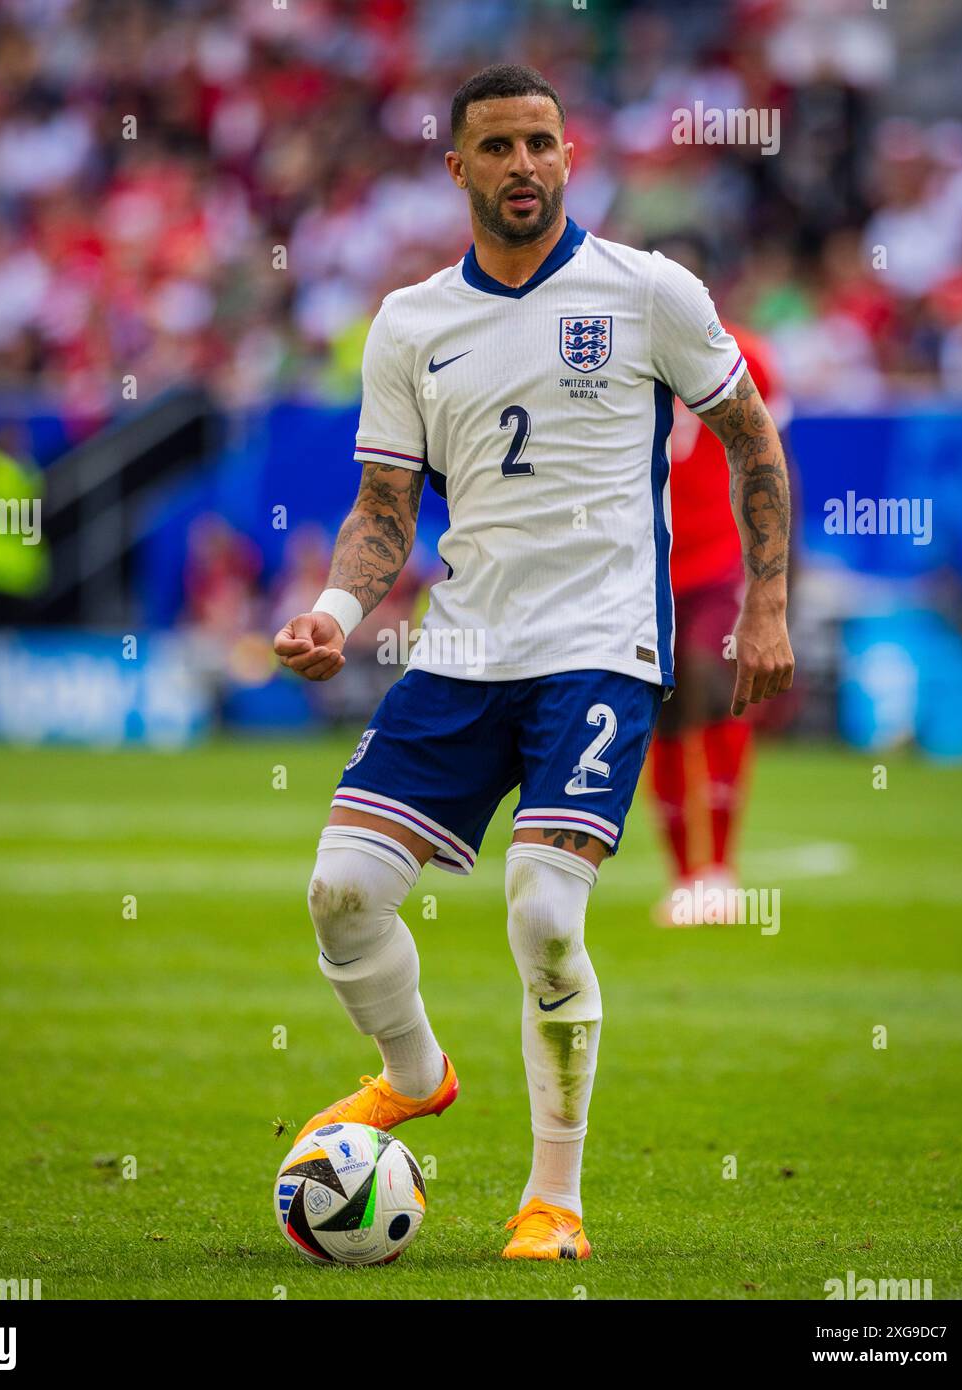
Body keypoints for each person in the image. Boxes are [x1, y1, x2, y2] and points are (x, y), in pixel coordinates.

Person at [273, 64, 794, 1261]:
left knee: (543, 910)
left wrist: (764, 604)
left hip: (600, 650)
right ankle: (413, 1074)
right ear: (455, 166)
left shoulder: (647, 291)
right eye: (498, 148)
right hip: (461, 651)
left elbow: (748, 436)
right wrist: (334, 612)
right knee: (341, 893)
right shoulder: (409, 324)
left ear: (571, 158)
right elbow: (382, 509)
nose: (524, 166)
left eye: (543, 145)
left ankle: (551, 1200)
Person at [646, 235, 792, 925]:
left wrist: (778, 565)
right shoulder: (622, 354)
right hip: (643, 562)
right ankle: (683, 877)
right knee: (666, 709)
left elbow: (770, 458)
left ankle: (721, 868)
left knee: (714, 686)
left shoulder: (747, 354)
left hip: (719, 558)